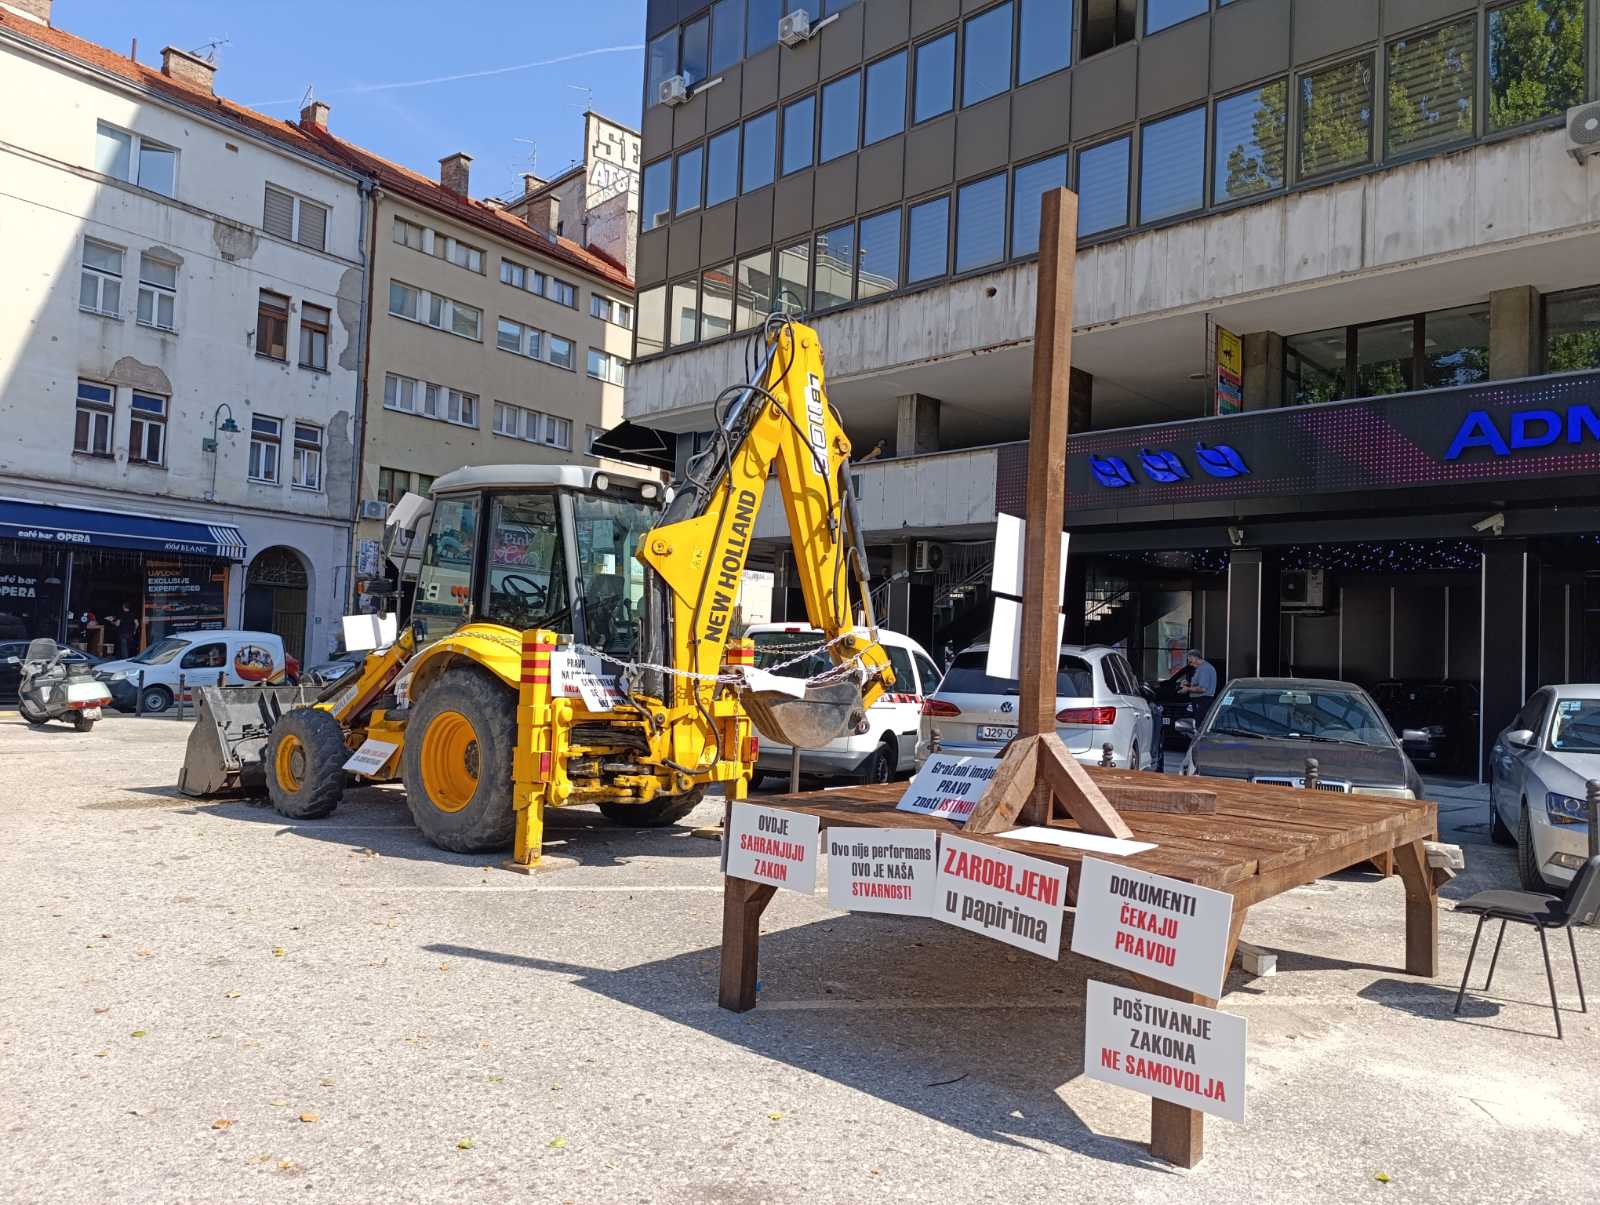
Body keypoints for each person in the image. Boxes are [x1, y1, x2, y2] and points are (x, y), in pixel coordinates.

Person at [1180, 650, 1218, 722]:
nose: (1190, 664)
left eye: (1190, 661)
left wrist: (1187, 689)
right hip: (1200, 701)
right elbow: (1199, 683)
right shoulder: (1200, 668)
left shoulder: (1204, 669)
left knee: (1199, 723)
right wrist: (1188, 683)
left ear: (1194, 658)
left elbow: (1202, 689)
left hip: (1202, 701)